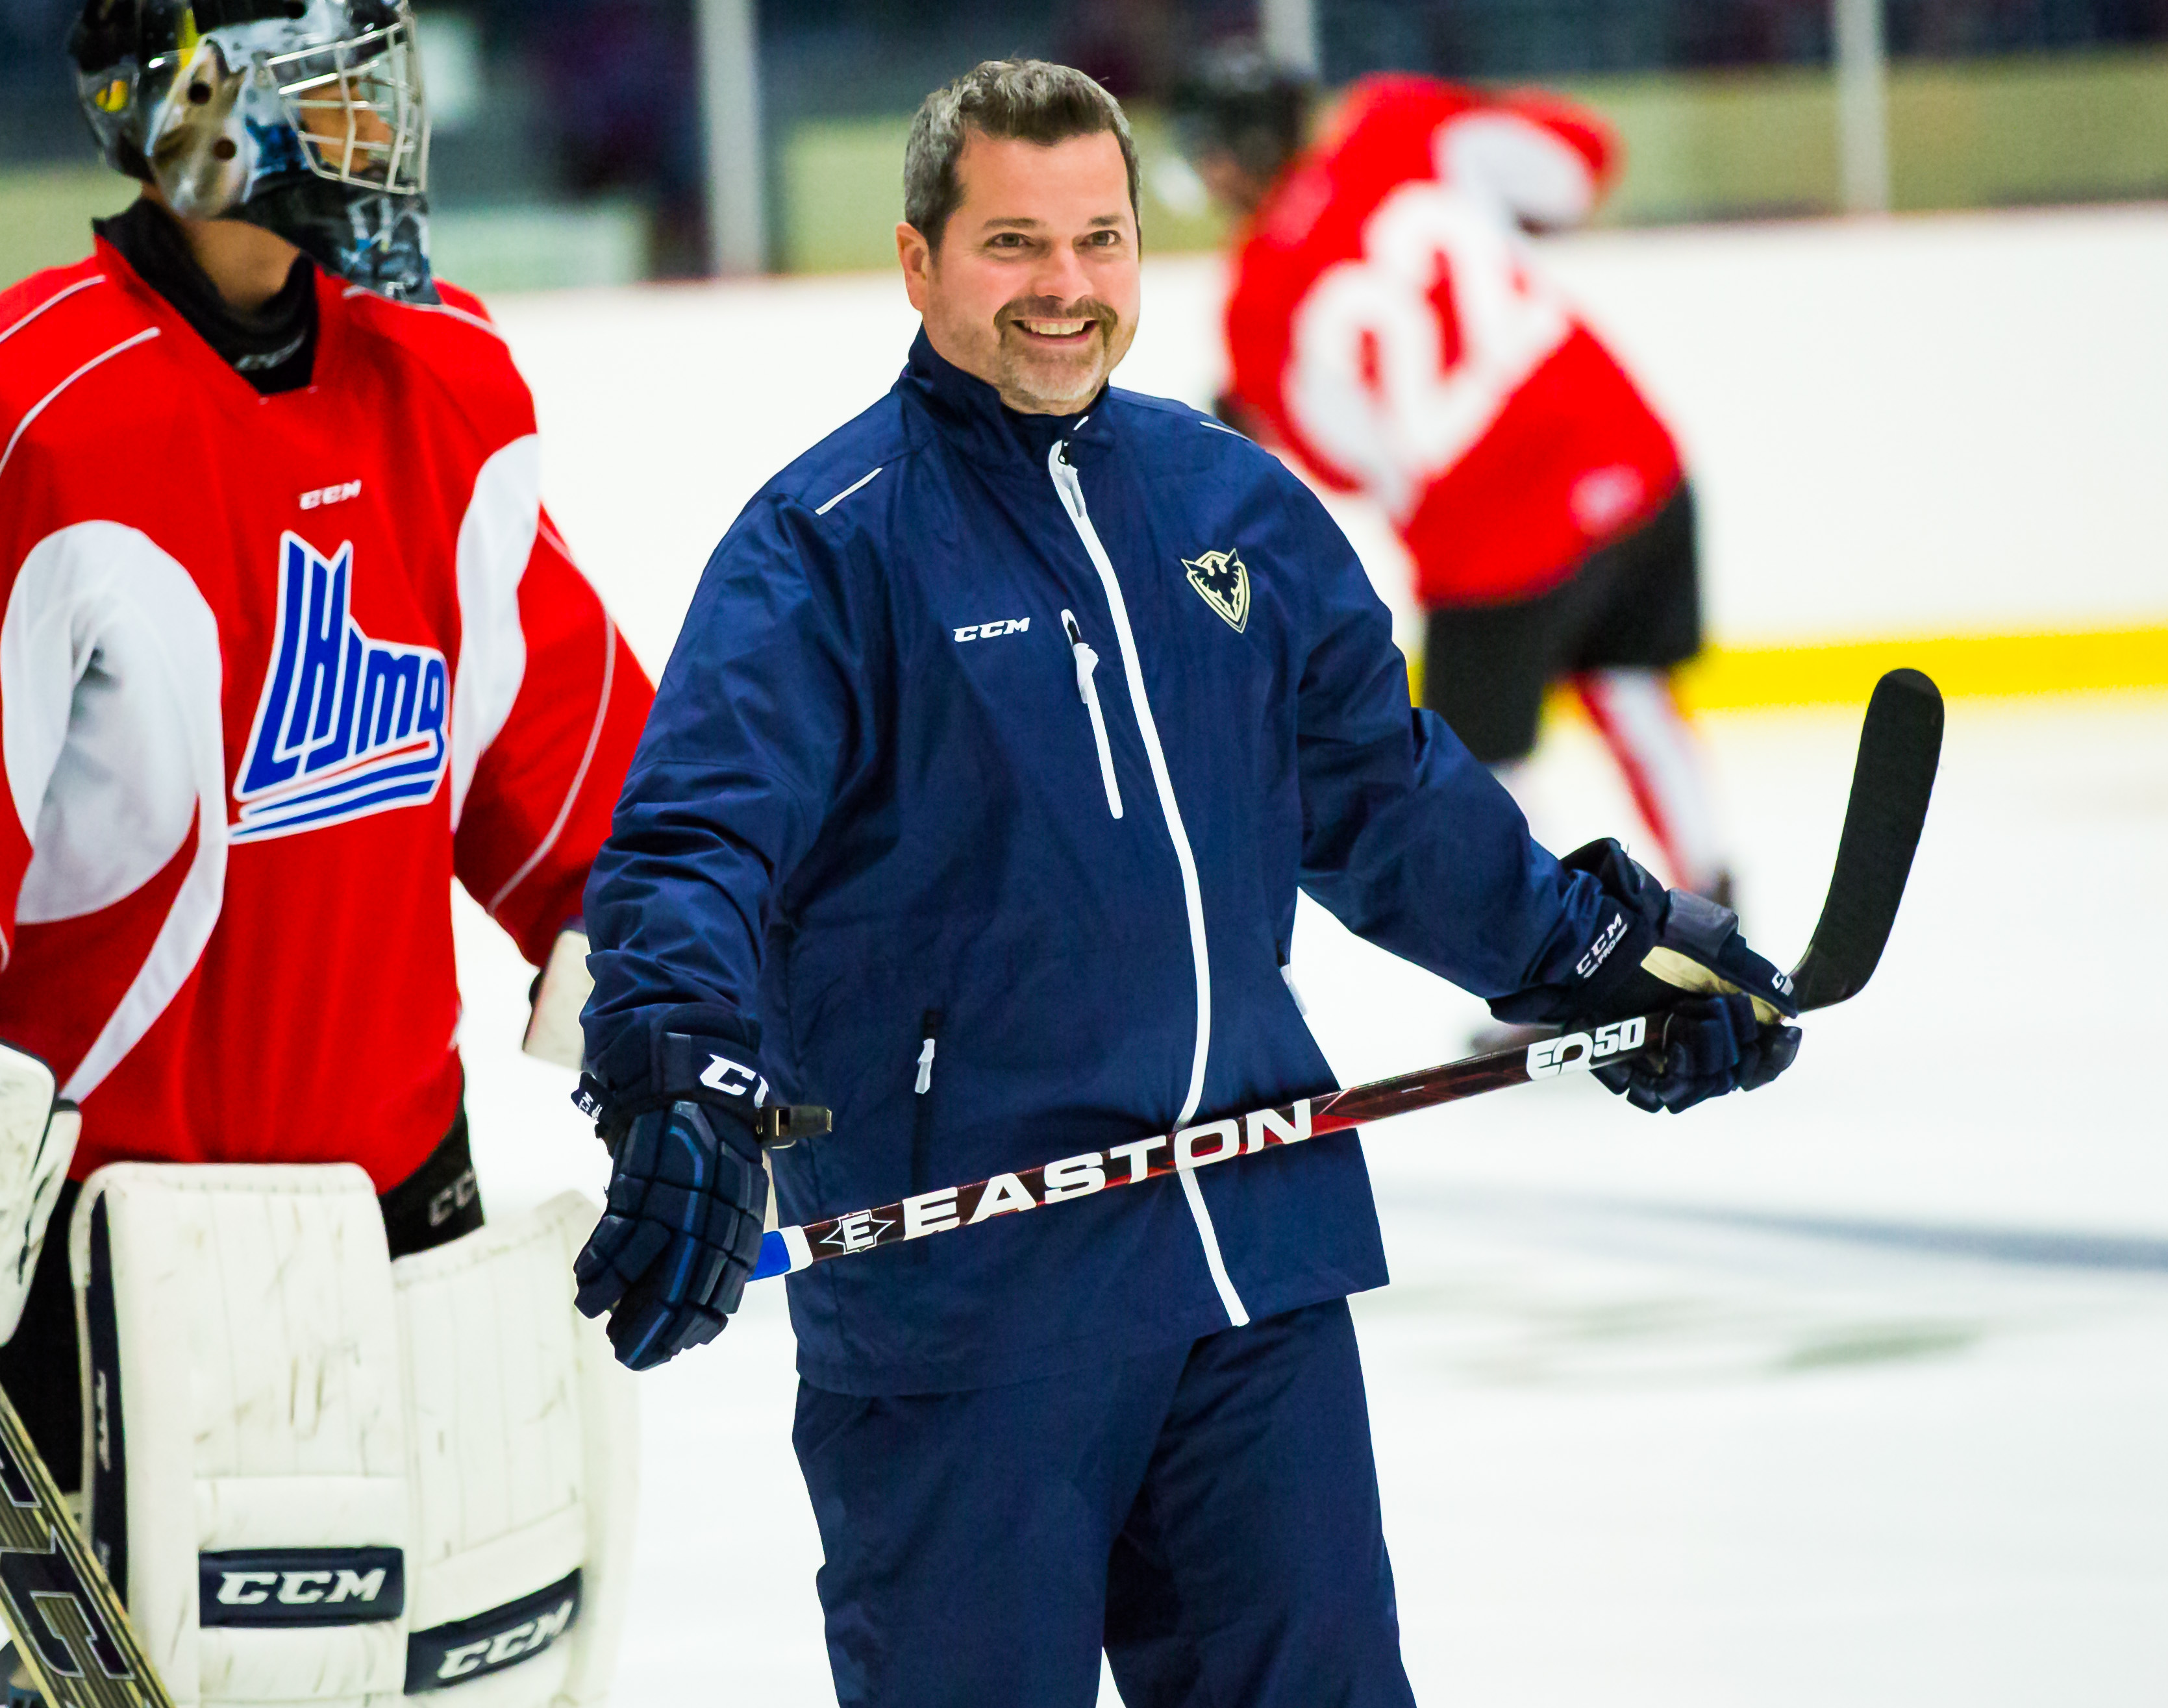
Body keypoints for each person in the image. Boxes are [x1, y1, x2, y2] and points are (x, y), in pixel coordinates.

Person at [571, 58, 1800, 1708]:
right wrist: (682, 1068)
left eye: (1099, 239)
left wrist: (1600, 946)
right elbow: (693, 841)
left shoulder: (1229, 502)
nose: (1064, 287)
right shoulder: (825, 543)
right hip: (970, 1310)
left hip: (1252, 1263)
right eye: (1013, 243)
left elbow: (1386, 795)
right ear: (919, 259)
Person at [0, 0, 651, 1509]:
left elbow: (572, 779)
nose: (387, 115)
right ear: (188, 107)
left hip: (405, 1225)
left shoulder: (444, 375)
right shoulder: (47, 419)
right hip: (103, 1247)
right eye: (336, 81)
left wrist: (685, 1035)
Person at [1177, 48, 1736, 904]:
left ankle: (1568, 953)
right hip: (1621, 449)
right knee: (1629, 681)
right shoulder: (1395, 120)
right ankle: (1715, 892)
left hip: (1491, 544)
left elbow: (1341, 462)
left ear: (1231, 157)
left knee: (1481, 767)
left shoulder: (1255, 302)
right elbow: (1579, 160)